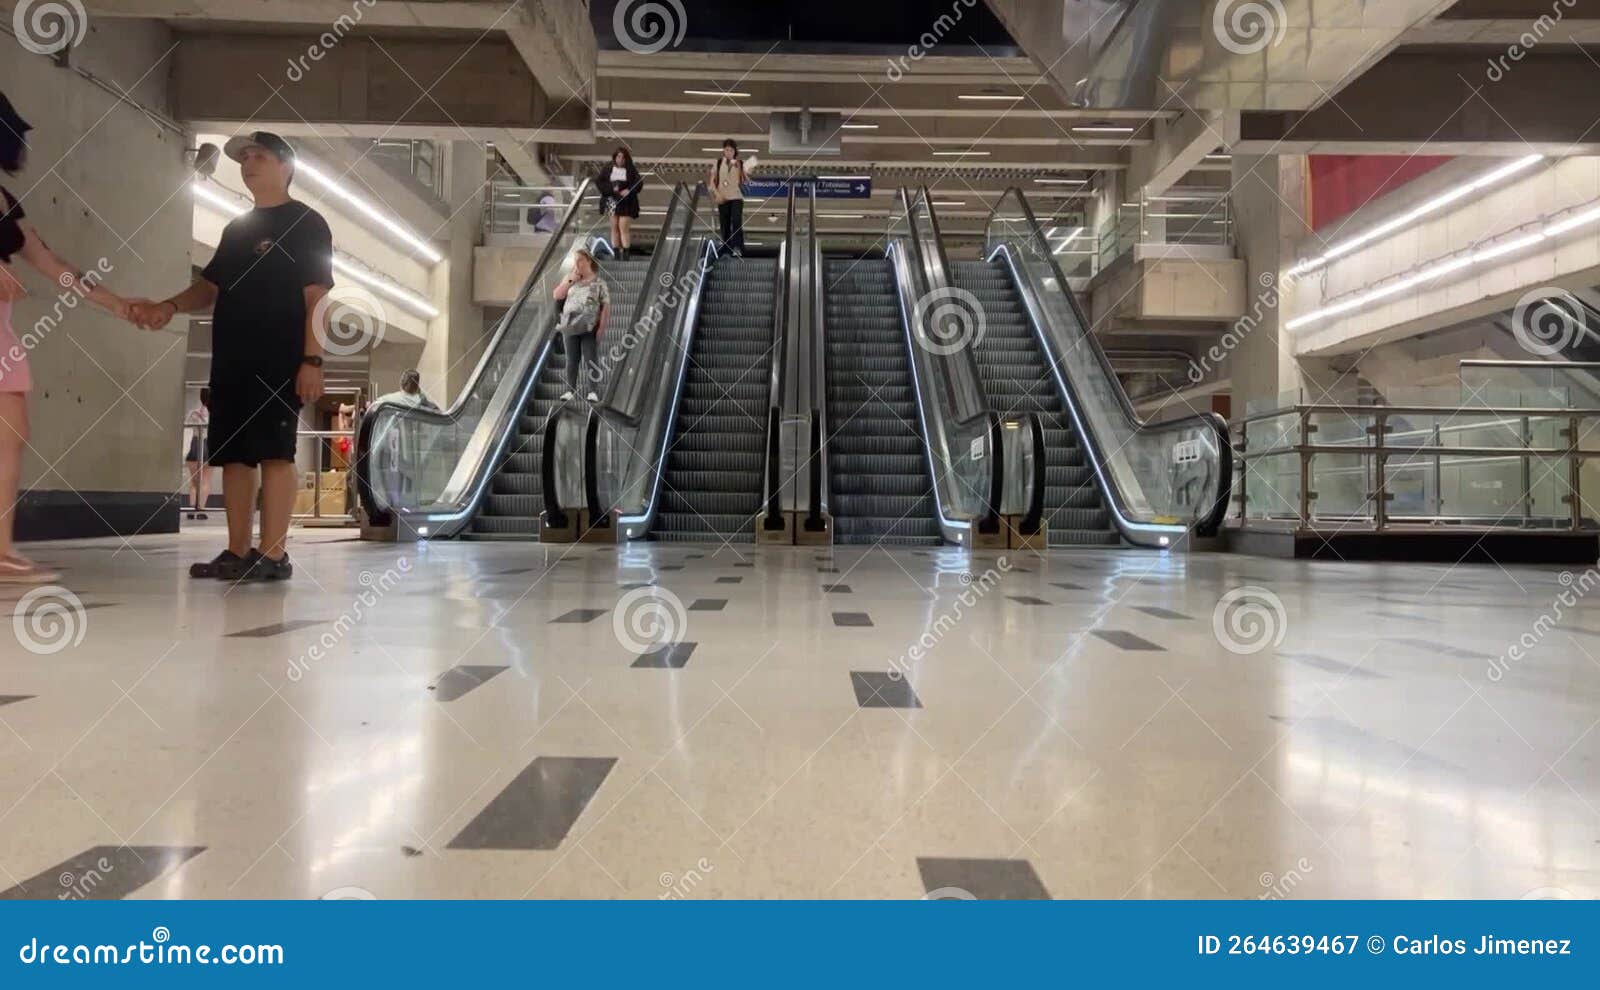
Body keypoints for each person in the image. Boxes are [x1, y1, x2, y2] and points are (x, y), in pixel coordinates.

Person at [129, 131, 333, 583]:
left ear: (286, 166)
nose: (248, 164)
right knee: (235, 455)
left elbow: (318, 298)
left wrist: (312, 360)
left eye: (259, 156)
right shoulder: (236, 229)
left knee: (275, 452)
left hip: (279, 358)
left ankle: (274, 555)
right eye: (244, 158)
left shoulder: (307, 223)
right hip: (231, 359)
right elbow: (210, 287)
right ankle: (238, 550)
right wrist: (170, 306)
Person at [0, 92, 134, 583]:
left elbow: (49, 262)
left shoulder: (5, 200)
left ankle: (0, 548)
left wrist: (116, 303)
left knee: (11, 434)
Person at [551, 249, 609, 403]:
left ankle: (593, 391)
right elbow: (557, 295)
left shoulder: (599, 283)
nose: (577, 264)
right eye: (575, 260)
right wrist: (570, 281)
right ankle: (569, 390)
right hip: (570, 326)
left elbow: (605, 308)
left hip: (589, 327)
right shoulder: (569, 278)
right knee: (572, 359)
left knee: (591, 358)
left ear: (588, 261)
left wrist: (602, 328)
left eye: (580, 260)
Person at [707, 139, 756, 257]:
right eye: (727, 150)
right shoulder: (718, 163)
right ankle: (726, 248)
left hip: (736, 197)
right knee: (725, 223)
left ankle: (737, 247)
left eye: (731, 150)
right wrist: (717, 194)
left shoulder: (739, 163)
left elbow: (746, 179)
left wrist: (749, 169)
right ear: (724, 151)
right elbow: (712, 182)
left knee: (736, 220)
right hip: (722, 197)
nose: (729, 152)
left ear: (735, 152)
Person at [600, 147, 642, 259]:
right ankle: (617, 255)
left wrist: (629, 190)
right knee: (614, 227)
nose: (620, 159)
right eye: (618, 156)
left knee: (623, 227)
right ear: (615, 157)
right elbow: (600, 182)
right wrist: (611, 189)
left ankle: (626, 255)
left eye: (623, 157)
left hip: (626, 202)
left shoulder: (631, 170)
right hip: (612, 200)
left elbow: (638, 183)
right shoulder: (608, 169)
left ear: (626, 159)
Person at [183, 387, 211, 521]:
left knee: (194, 481)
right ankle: (201, 509)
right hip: (207, 445)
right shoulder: (214, 414)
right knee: (205, 480)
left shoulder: (193, 412)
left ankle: (191, 509)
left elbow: (186, 427)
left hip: (193, 446)